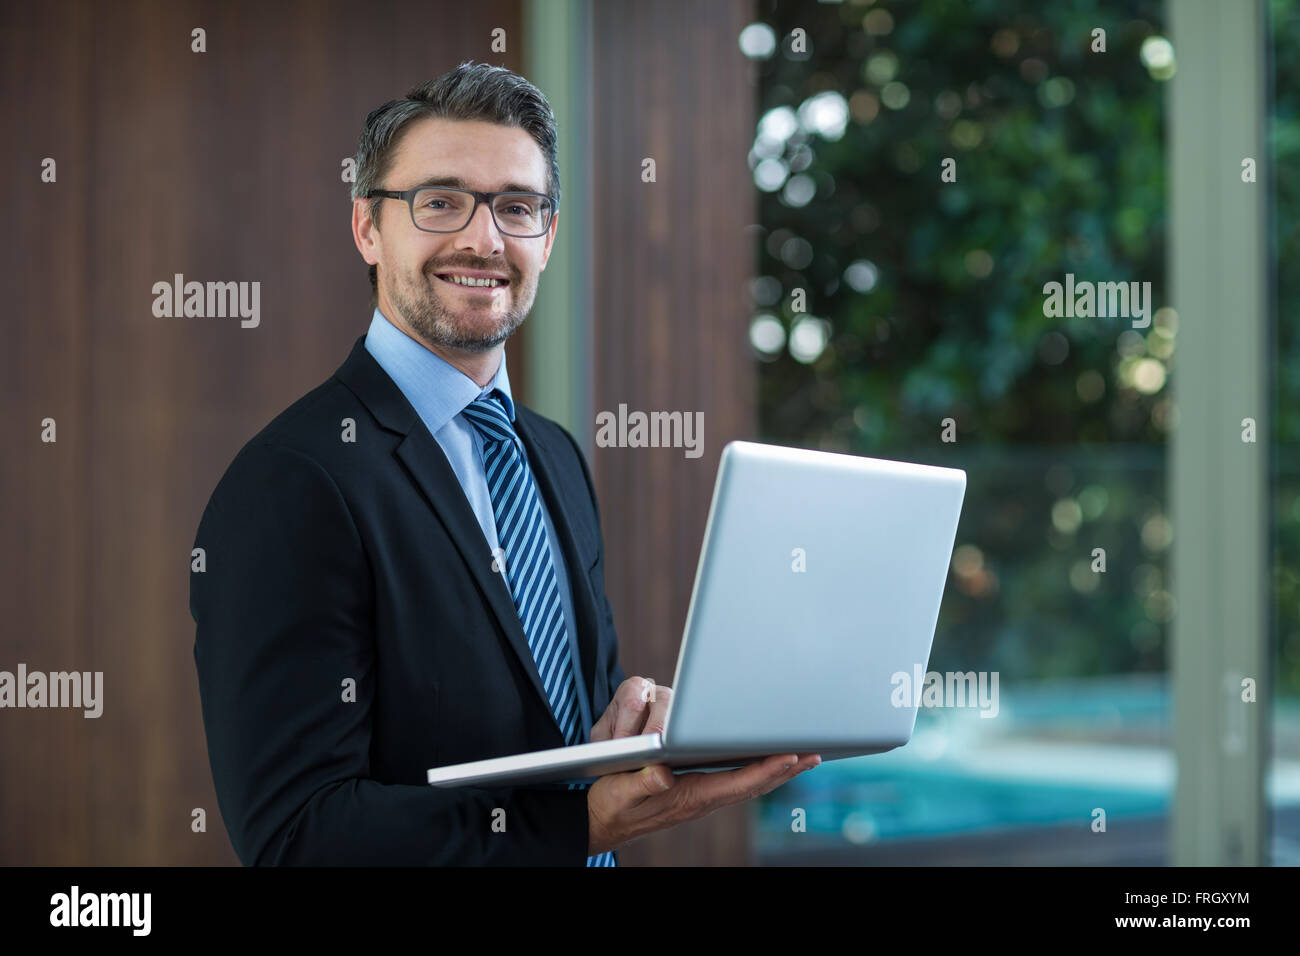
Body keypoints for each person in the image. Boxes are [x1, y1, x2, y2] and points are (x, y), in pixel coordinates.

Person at [189, 60, 819, 867]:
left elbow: (553, 731)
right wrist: (580, 826)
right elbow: (296, 838)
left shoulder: (552, 456)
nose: (482, 239)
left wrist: (635, 730)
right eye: (440, 201)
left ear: (547, 238)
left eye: (516, 208)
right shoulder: (293, 482)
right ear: (367, 229)